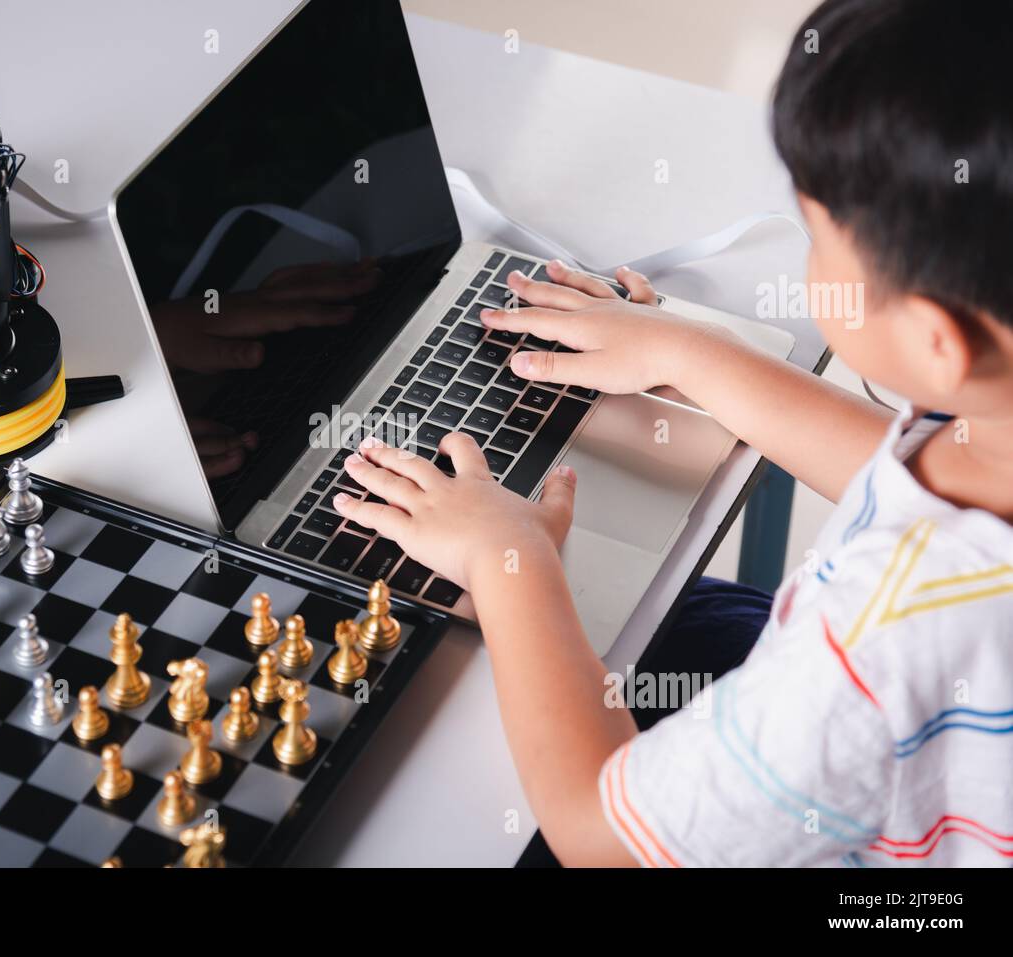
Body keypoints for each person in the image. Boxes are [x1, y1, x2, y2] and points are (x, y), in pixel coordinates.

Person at [330, 0, 1013, 866]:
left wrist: (511, 560)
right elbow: (913, 465)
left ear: (934, 341)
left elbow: (597, 832)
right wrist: (686, 352)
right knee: (665, 618)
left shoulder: (880, 639)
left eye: (821, 237)